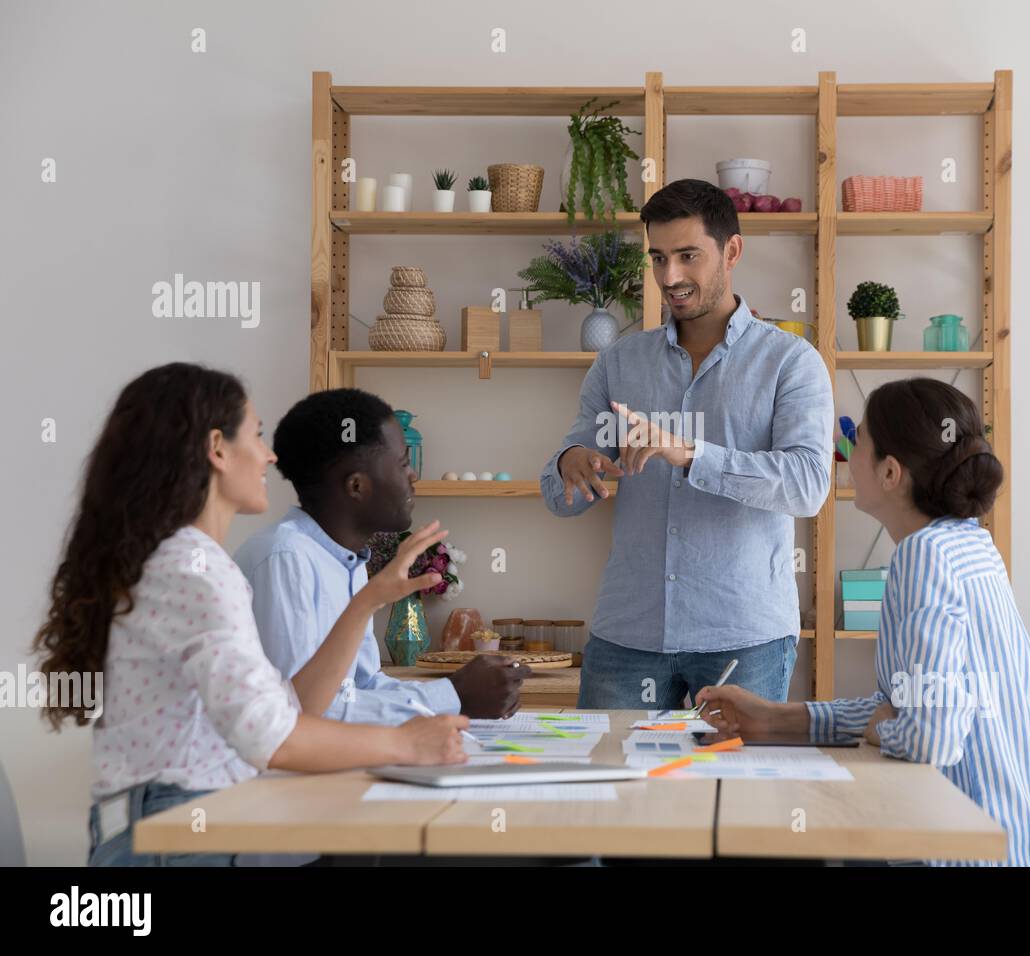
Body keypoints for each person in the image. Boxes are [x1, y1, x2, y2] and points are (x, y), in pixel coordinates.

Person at [31, 363, 468, 866]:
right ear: (217, 449)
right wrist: (404, 745)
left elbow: (290, 710)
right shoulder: (193, 571)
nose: (269, 455)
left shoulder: (186, 561)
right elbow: (271, 736)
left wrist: (367, 601)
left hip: (172, 827)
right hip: (173, 838)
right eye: (256, 435)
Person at [698, 378, 1030, 866]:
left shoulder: (923, 558)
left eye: (858, 440)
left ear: (890, 472)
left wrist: (887, 726)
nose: (846, 451)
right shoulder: (970, 544)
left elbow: (928, 737)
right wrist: (774, 719)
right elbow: (908, 709)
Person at [540, 178, 834, 710]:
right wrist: (570, 464)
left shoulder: (791, 362)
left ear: (732, 251)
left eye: (688, 256)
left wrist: (694, 454)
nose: (669, 277)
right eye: (657, 258)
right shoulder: (618, 363)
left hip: (744, 639)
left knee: (734, 794)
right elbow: (558, 493)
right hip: (627, 636)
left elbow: (808, 486)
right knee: (611, 790)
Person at [235, 388, 530, 723]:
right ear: (357, 486)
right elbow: (300, 713)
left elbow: (361, 687)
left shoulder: (347, 562)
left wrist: (456, 693)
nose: (413, 475)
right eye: (403, 462)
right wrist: (454, 694)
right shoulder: (285, 559)